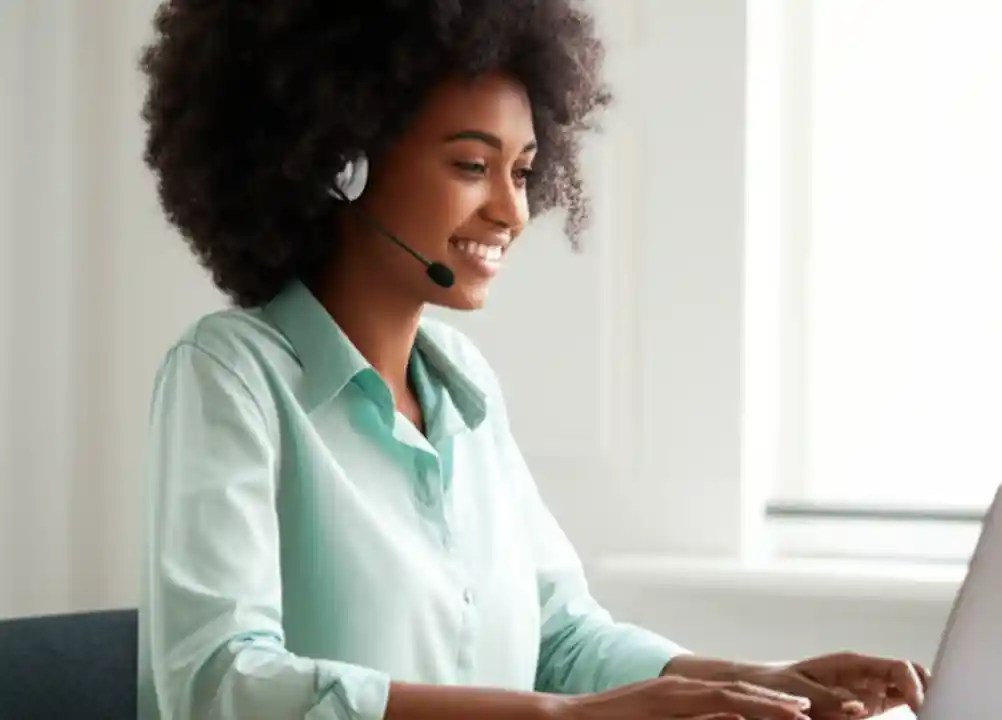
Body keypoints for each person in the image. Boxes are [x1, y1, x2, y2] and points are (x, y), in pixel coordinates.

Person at [136, 1, 930, 718]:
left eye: (521, 171)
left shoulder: (465, 389)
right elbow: (219, 683)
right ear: (342, 162)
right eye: (472, 166)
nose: (513, 211)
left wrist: (761, 680)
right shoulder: (231, 376)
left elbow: (562, 638)